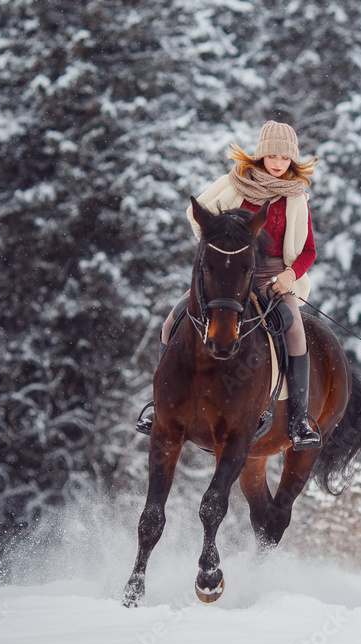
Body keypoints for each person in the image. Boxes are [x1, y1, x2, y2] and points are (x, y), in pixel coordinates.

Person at [136, 121, 322, 449]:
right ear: (261, 155)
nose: (278, 163)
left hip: (272, 280)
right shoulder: (234, 183)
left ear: (292, 161)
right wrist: (216, 254)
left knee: (295, 331)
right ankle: (158, 406)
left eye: (284, 158)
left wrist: (289, 276)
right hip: (227, 277)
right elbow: (196, 215)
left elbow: (308, 251)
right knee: (171, 321)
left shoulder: (296, 198)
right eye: (272, 156)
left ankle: (297, 419)